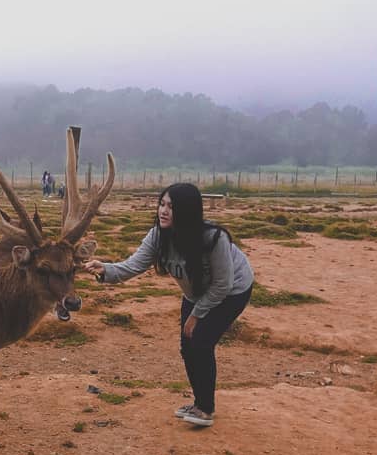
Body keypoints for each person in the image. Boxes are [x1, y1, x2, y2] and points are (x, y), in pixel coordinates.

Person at [84, 183, 253, 428]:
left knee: (202, 343)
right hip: (196, 294)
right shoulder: (158, 235)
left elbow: (222, 285)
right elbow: (134, 265)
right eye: (162, 204)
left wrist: (196, 316)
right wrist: (106, 269)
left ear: (187, 210)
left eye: (171, 207)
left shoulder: (214, 239)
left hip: (232, 291)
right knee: (187, 347)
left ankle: (205, 409)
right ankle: (199, 403)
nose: (163, 211)